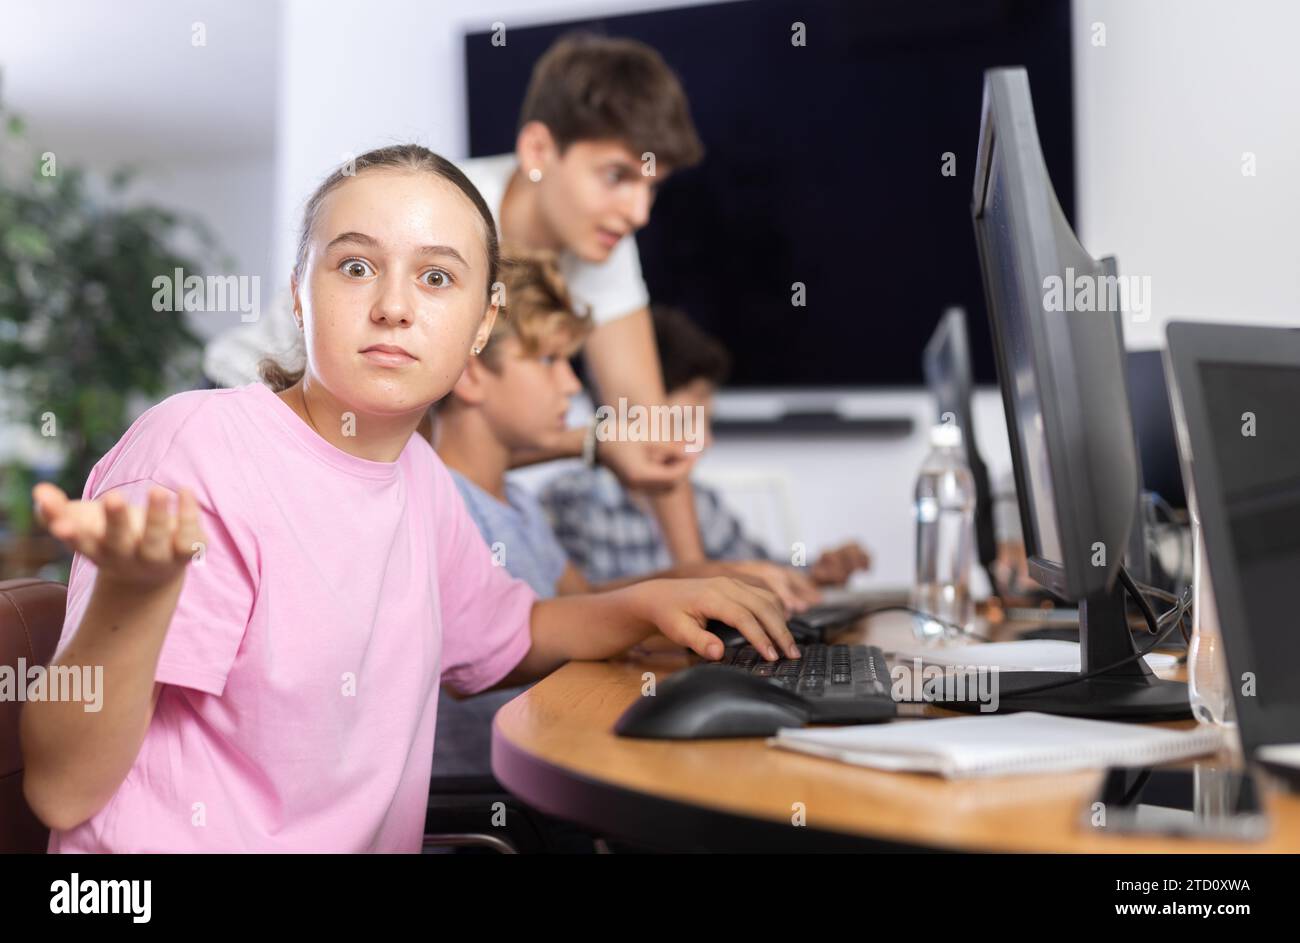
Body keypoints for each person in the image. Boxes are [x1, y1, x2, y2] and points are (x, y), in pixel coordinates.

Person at [20, 144, 795, 853]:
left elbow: (505, 635)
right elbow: (60, 790)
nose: (394, 305)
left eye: (436, 277)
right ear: (299, 296)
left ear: (483, 323)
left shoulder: (418, 476)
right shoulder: (196, 450)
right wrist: (134, 594)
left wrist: (652, 602)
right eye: (355, 267)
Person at [203, 33, 712, 567]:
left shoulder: (604, 242)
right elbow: (431, 442)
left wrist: (697, 575)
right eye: (617, 177)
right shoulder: (449, 218)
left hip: (362, 437)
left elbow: (646, 422)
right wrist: (587, 444)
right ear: (539, 151)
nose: (638, 211)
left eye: (652, 187)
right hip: (250, 399)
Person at [542, 306, 873, 587]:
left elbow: (756, 568)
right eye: (686, 421)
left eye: (707, 423)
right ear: (623, 412)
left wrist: (814, 573)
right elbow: (579, 608)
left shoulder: (702, 504)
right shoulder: (570, 503)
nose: (706, 439)